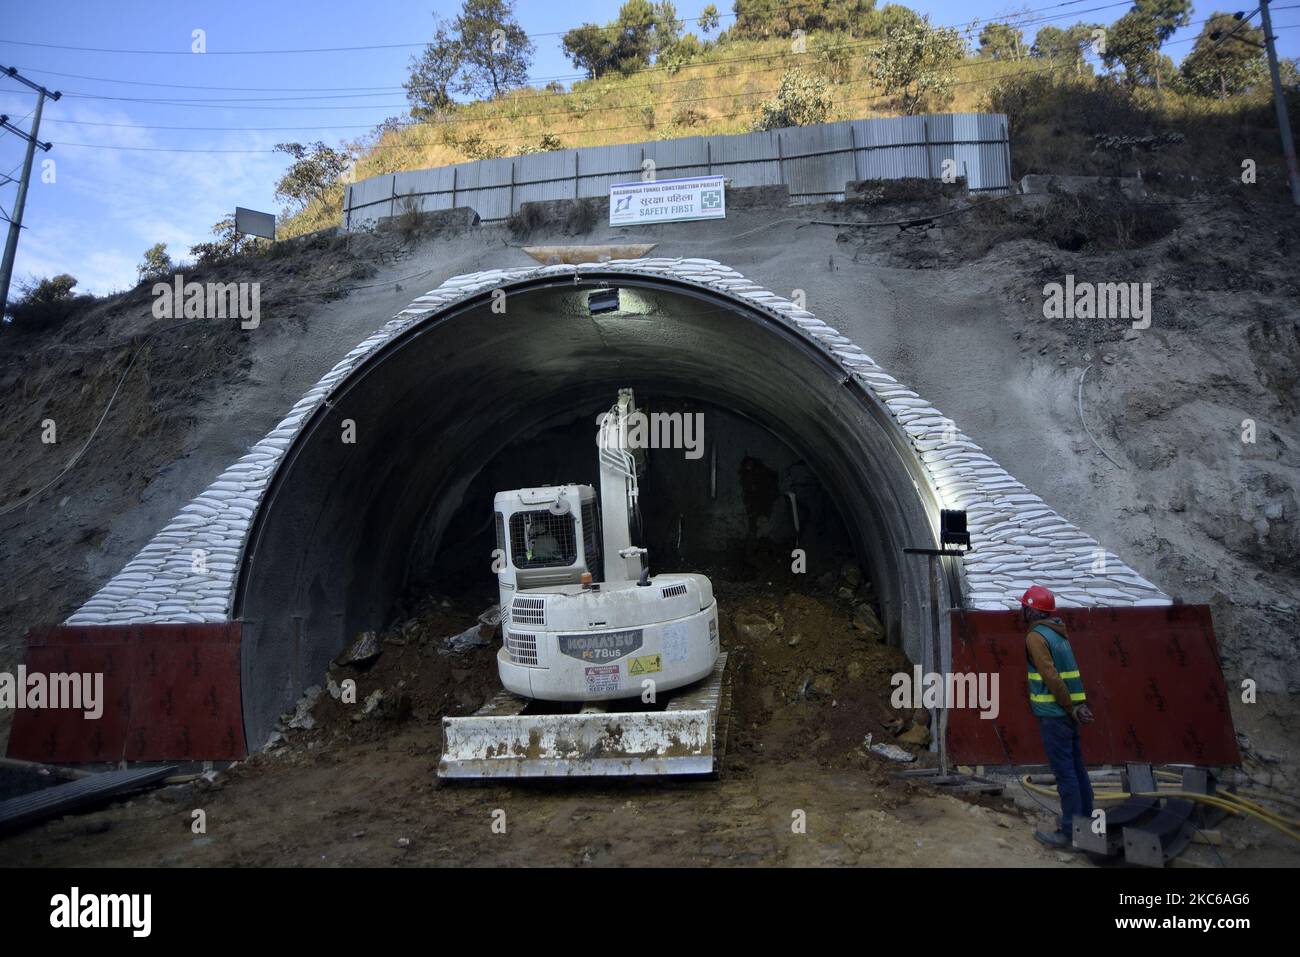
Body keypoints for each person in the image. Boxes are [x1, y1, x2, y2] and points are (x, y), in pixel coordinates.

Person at [1020, 585, 1095, 849]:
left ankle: (1069, 833)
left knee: (1065, 775)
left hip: (1055, 714)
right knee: (1077, 770)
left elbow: (1051, 676)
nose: (1023, 611)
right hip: (1070, 713)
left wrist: (1068, 706)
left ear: (1033, 610)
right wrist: (1078, 705)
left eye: (1025, 606)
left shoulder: (1036, 638)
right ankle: (1086, 829)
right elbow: (1071, 673)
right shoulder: (1059, 634)